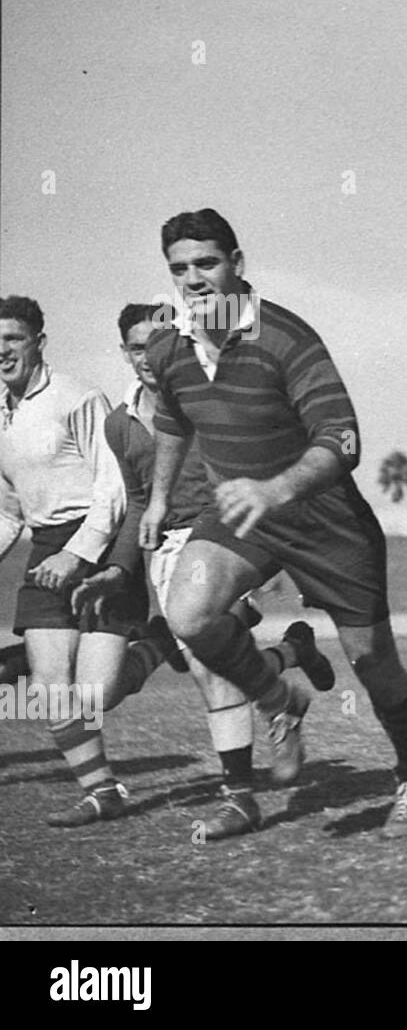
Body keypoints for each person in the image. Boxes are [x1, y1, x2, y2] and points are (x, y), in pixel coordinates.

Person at [139, 210, 407, 838]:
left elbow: (343, 439)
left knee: (374, 664)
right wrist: (160, 500)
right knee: (187, 615)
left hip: (326, 521)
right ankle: (281, 699)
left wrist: (277, 487)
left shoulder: (286, 337)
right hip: (243, 514)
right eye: (180, 269)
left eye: (207, 264)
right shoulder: (167, 344)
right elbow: (172, 420)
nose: (194, 280)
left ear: (237, 264)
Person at [69, 302, 336, 839]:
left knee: (210, 669)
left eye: (158, 343)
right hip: (164, 553)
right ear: (126, 353)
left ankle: (240, 798)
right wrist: (120, 569)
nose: (149, 357)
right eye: (138, 347)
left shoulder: (204, 397)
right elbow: (140, 502)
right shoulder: (120, 424)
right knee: (195, 663)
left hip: (222, 541)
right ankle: (287, 664)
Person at [0, 296, 134, 826]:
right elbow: (10, 510)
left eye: (12, 338)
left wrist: (78, 555)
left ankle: (155, 642)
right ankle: (103, 792)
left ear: (38, 343)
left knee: (95, 694)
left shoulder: (78, 396)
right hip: (44, 548)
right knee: (53, 690)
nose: (0, 349)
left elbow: (115, 486)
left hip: (100, 545)